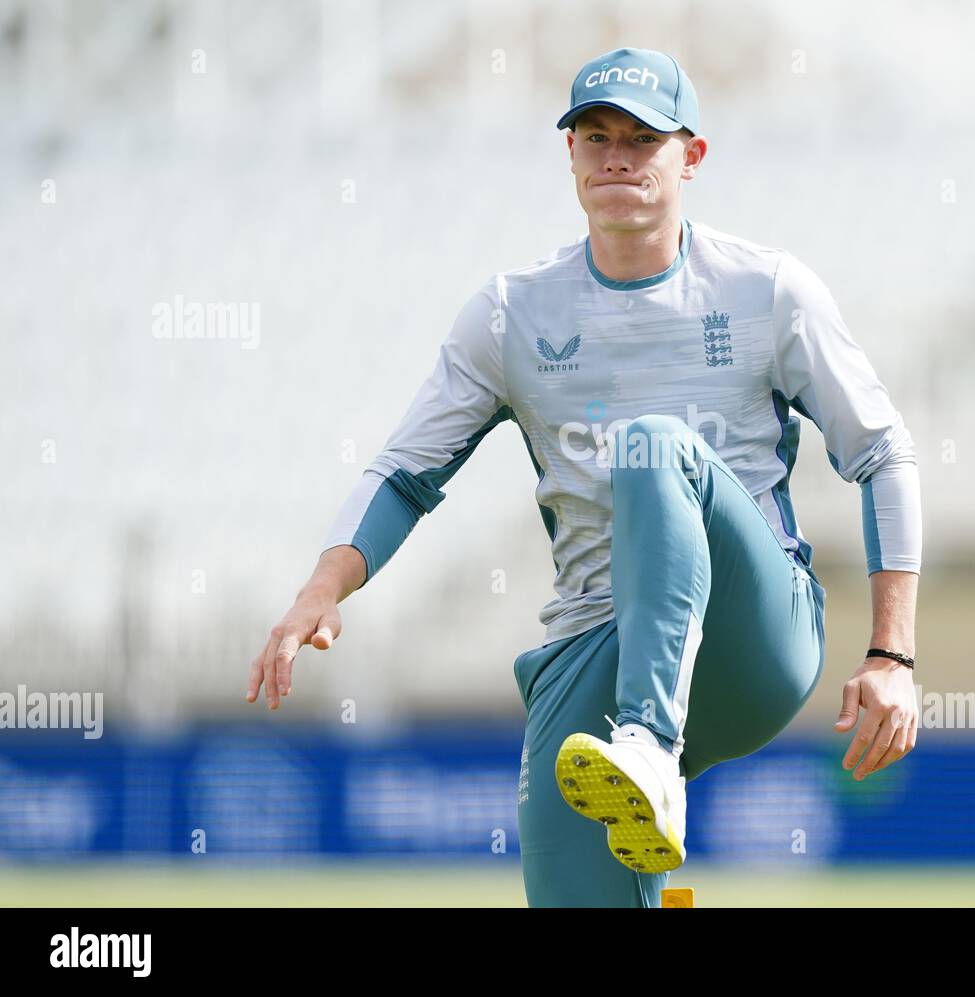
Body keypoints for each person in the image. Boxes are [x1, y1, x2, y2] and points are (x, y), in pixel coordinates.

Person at [247, 46, 923, 908]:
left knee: (649, 445)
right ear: (569, 154)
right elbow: (406, 470)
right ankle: (640, 761)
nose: (617, 156)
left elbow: (884, 452)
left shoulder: (767, 290)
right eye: (595, 135)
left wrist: (892, 653)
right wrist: (322, 584)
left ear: (693, 156)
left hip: (752, 637)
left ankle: (648, 744)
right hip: (592, 639)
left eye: (643, 139)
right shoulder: (511, 312)